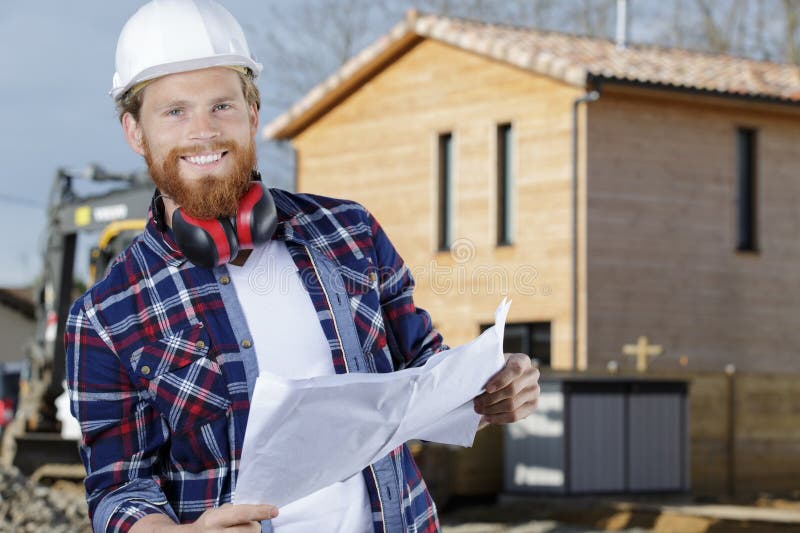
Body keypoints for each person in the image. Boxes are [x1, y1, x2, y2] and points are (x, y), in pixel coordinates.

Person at [65, 1, 541, 532]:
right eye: (175, 111)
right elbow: (118, 487)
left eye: (221, 105)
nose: (204, 131)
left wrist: (493, 385)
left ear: (253, 114)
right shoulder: (105, 316)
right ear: (135, 131)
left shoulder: (350, 232)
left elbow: (427, 373)